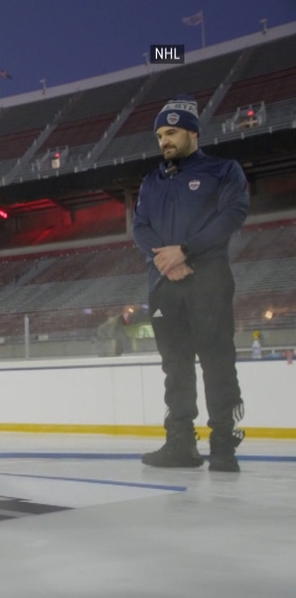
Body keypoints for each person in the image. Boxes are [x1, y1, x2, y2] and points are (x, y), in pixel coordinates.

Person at [132, 95, 249, 473]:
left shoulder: (223, 170)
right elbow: (139, 227)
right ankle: (181, 443)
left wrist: (186, 251)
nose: (163, 141)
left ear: (192, 133)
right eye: (159, 135)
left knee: (217, 360)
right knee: (175, 366)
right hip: (164, 283)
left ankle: (223, 447)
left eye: (171, 132)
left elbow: (234, 213)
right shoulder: (151, 181)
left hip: (209, 281)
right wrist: (165, 259)